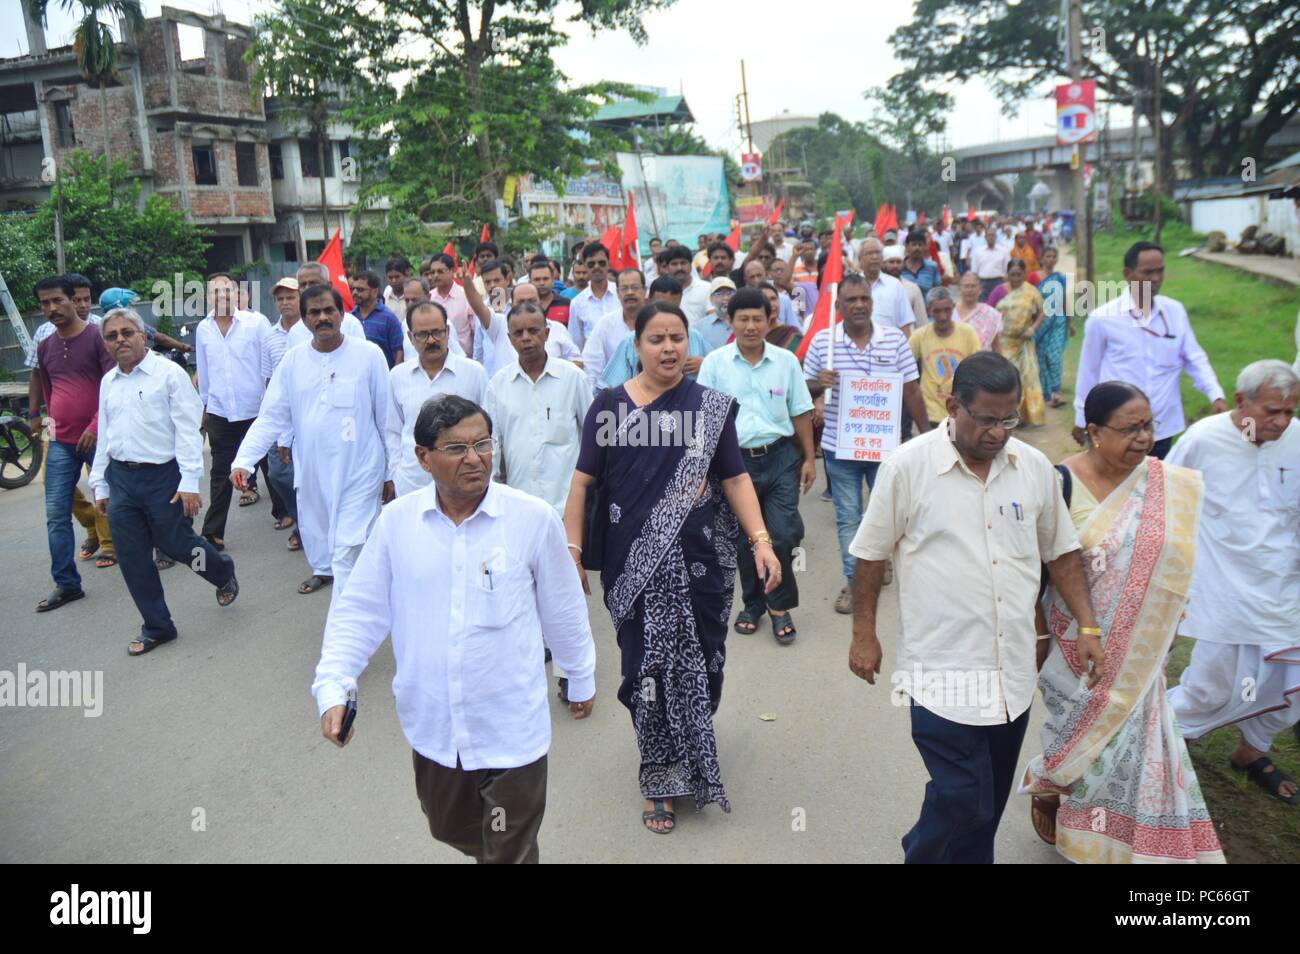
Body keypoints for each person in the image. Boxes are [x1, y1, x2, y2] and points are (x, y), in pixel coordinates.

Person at [313, 395, 596, 864]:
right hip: (435, 726)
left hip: (511, 727)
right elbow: (359, 610)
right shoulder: (397, 524)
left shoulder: (531, 519)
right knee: (449, 827)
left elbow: (563, 608)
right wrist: (334, 685)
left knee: (509, 848)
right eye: (456, 448)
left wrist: (578, 674)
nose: (475, 458)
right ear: (423, 457)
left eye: (483, 444)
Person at [848, 352, 1104, 863]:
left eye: (1008, 418)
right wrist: (864, 634)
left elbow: (1062, 551)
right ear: (952, 406)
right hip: (940, 671)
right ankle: (919, 855)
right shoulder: (907, 467)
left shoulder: (1032, 468)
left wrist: (1088, 624)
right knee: (964, 794)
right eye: (986, 418)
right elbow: (870, 555)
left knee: (985, 809)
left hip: (1011, 674)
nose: (998, 431)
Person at [562, 301, 781, 834]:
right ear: (635, 346)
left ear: (690, 344)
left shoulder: (708, 407)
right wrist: (570, 551)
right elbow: (582, 483)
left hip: (702, 564)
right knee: (647, 672)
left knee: (703, 665)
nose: (668, 348)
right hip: (632, 568)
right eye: (656, 339)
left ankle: (693, 747)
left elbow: (734, 479)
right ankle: (658, 777)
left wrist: (762, 541)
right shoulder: (609, 409)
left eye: (677, 338)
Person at [1022, 381, 1224, 862]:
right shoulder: (1059, 482)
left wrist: (1171, 620)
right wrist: (1039, 633)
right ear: (1093, 431)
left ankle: (1102, 839)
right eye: (1129, 428)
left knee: (1134, 741)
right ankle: (1053, 778)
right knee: (1078, 734)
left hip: (1141, 646)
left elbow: (1176, 561)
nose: (1143, 437)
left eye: (1149, 426)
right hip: (1075, 644)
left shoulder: (1166, 483)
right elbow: (1037, 565)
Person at [1167, 360, 1300, 805]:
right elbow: (1165, 505)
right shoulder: (1203, 440)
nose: (1281, 421)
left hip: (1286, 591)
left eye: (1289, 410)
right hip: (1223, 592)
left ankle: (1250, 753)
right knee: (1211, 685)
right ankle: (1162, 742)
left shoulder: (1296, 440)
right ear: (1240, 400)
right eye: (1271, 411)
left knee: (1290, 687)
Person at [88, 309, 239, 655]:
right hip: (122, 478)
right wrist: (101, 483)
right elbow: (106, 435)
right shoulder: (109, 381)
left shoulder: (169, 374)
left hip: (163, 477)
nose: (120, 340)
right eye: (112, 336)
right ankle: (157, 626)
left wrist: (189, 481)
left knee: (180, 546)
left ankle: (218, 570)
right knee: (132, 557)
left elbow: (188, 431)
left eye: (127, 332)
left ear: (144, 336)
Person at [231, 285, 390, 605]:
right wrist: (243, 461)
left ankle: (345, 634)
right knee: (334, 550)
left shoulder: (368, 355)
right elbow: (271, 416)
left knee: (346, 551)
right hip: (315, 474)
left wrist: (391, 472)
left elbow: (387, 420)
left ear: (342, 314)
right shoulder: (292, 362)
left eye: (329, 310)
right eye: (314, 313)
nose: (322, 318)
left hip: (361, 470)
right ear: (303, 320)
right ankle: (378, 605)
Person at [803, 273, 929, 613]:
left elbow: (911, 390)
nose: (859, 305)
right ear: (839, 305)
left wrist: (929, 435)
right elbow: (801, 392)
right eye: (852, 300)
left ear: (872, 303)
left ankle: (880, 557)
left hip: (885, 450)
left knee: (885, 514)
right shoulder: (822, 344)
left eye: (865, 299)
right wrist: (818, 383)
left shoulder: (894, 341)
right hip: (839, 447)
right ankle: (855, 582)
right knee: (848, 517)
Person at [697, 287, 815, 645]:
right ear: (730, 321)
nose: (751, 326)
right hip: (734, 463)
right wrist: (702, 468)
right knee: (745, 539)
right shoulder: (715, 363)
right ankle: (753, 605)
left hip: (780, 458)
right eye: (743, 319)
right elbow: (705, 418)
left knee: (783, 534)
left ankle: (779, 606)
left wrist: (809, 457)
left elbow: (800, 410)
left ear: (769, 321)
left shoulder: (786, 362)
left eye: (758, 319)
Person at [1073, 241, 1227, 458]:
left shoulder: (1175, 312)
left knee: (1156, 486)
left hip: (1162, 427)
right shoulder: (1103, 319)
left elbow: (1195, 358)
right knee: (1121, 486)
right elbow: (1088, 372)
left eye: (1160, 271)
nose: (1155, 279)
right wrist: (1081, 419)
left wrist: (1215, 395)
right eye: (1147, 272)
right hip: (1119, 429)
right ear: (1128, 274)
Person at [30, 275, 115, 612]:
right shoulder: (45, 346)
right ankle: (67, 584)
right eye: (44, 304)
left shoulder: (98, 337)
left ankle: (162, 548)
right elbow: (49, 388)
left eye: (57, 301)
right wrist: (45, 417)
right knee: (55, 514)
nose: (51, 308)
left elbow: (112, 385)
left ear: (74, 300)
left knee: (123, 503)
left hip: (102, 438)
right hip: (63, 442)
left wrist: (95, 425)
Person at [484, 300, 592, 516]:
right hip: (519, 506)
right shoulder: (497, 385)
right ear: (509, 339)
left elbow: (593, 437)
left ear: (547, 333)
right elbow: (492, 446)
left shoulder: (573, 378)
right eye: (518, 333)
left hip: (568, 506)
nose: (526, 338)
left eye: (533, 331)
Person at [195, 274, 272, 551]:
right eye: (216, 293)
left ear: (236, 294)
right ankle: (212, 532)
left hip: (256, 408)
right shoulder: (203, 329)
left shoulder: (255, 324)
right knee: (220, 472)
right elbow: (203, 371)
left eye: (227, 291)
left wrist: (270, 402)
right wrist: (204, 406)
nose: (222, 297)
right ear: (208, 298)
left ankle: (285, 512)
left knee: (269, 467)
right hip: (220, 412)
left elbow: (268, 366)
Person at [385, 302, 488, 499]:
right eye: (422, 335)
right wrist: (396, 472)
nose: (431, 340)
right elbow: (393, 431)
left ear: (448, 332)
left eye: (437, 332)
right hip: (411, 483)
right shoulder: (397, 377)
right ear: (410, 338)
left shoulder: (474, 372)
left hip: (463, 482)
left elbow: (489, 430)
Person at [909, 287, 981, 428]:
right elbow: (904, 364)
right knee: (933, 447)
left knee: (954, 446)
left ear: (953, 307)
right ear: (929, 310)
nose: (943, 316)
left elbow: (978, 367)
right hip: (930, 410)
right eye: (937, 311)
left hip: (959, 409)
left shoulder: (968, 333)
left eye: (947, 310)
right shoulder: (920, 335)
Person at [993, 258, 1046, 427]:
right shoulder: (999, 291)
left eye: (1019, 274)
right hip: (1004, 343)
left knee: (1025, 379)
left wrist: (1033, 328)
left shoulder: (1031, 291)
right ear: (1007, 274)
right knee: (1008, 379)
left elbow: (1043, 311)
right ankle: (1006, 414)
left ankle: (1022, 415)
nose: (1015, 278)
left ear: (1024, 274)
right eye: (1012, 274)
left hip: (1024, 344)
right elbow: (989, 313)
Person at [581, 268, 647, 386]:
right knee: (623, 405)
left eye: (635, 287)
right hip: (620, 397)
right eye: (624, 288)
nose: (630, 292)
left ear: (644, 290)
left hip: (654, 395)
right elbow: (591, 365)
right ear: (617, 293)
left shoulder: (656, 322)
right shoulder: (605, 324)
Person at [289, 262, 367, 348]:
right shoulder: (294, 332)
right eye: (303, 285)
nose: (308, 288)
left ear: (329, 285)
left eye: (313, 283)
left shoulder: (351, 324)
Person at [1033, 246, 1071, 408]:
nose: (1050, 259)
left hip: (1058, 322)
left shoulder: (1060, 278)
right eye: (1047, 256)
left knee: (1054, 357)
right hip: (1040, 323)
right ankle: (1046, 394)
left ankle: (1056, 393)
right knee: (1041, 358)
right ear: (1042, 258)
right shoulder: (1034, 278)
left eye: (1053, 256)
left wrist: (1069, 321)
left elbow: (1063, 299)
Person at [567, 242, 620, 350]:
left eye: (601, 263)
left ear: (608, 264)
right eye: (591, 264)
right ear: (585, 266)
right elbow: (576, 342)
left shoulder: (621, 293)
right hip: (593, 364)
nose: (596, 267)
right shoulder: (577, 303)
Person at [857, 239, 914, 336]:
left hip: (890, 348)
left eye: (877, 253)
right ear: (860, 259)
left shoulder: (895, 285)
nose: (874, 257)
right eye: (869, 253)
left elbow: (905, 323)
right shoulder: (852, 285)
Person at [349, 269, 406, 368]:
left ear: (375, 291)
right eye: (352, 289)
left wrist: (392, 377)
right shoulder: (350, 318)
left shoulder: (389, 318)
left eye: (360, 290)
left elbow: (399, 351)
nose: (354, 293)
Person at [427, 253, 477, 357]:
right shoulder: (428, 298)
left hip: (464, 358)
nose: (435, 275)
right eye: (433, 272)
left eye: (440, 271)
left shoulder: (465, 296)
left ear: (452, 271)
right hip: (436, 358)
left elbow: (476, 331)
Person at [658, 245, 712, 324]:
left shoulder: (706, 288)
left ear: (690, 265)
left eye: (683, 263)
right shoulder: (660, 292)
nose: (679, 268)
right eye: (674, 264)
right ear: (667, 268)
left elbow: (712, 319)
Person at [953, 270, 1002, 352]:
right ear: (960, 289)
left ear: (980, 289)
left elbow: (996, 346)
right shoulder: (951, 312)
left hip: (982, 362)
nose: (970, 290)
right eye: (966, 286)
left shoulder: (990, 314)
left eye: (973, 286)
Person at [881, 246, 927, 331]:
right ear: (883, 264)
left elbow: (921, 322)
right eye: (891, 262)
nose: (895, 266)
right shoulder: (876, 287)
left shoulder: (912, 288)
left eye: (898, 262)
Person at [697, 277, 737, 351]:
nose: (726, 298)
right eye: (719, 294)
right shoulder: (700, 328)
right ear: (711, 299)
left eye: (730, 293)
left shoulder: (745, 322)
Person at [971, 227, 1010, 302]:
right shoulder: (978, 251)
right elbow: (974, 271)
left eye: (992, 235)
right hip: (983, 283)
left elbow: (1007, 269)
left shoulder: (1004, 251)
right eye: (988, 235)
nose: (990, 237)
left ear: (996, 237)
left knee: (998, 305)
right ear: (985, 237)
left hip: (998, 282)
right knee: (983, 306)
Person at [899, 230, 940, 298]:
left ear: (925, 247)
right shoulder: (899, 268)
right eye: (914, 244)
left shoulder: (932, 267)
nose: (917, 248)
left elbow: (937, 292)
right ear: (907, 246)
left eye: (920, 245)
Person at [383, 256, 412, 322]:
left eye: (397, 277)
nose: (394, 281)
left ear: (407, 274)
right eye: (390, 277)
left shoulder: (413, 295)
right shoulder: (386, 292)